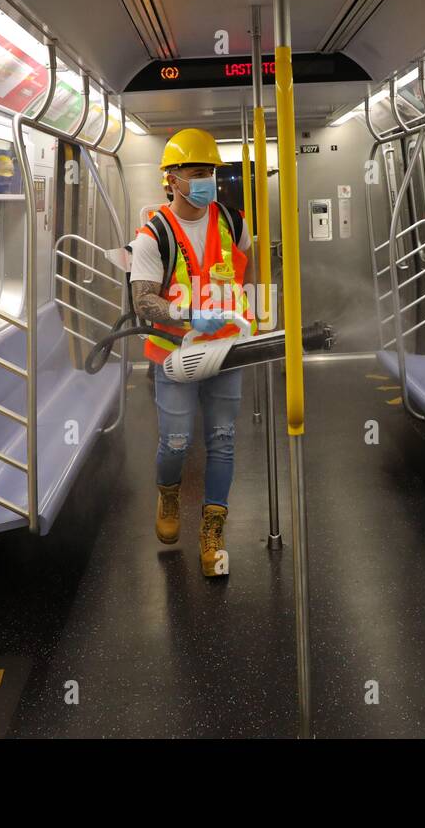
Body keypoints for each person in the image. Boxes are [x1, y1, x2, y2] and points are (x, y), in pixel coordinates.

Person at [129, 128, 254, 577]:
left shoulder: (232, 221)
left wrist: (238, 311)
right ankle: (168, 491)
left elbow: (245, 267)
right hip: (174, 353)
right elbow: (142, 301)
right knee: (177, 441)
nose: (207, 182)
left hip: (225, 351)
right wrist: (187, 314)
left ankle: (212, 531)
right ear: (172, 179)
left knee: (222, 440)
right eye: (198, 173)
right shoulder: (153, 236)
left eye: (211, 173)